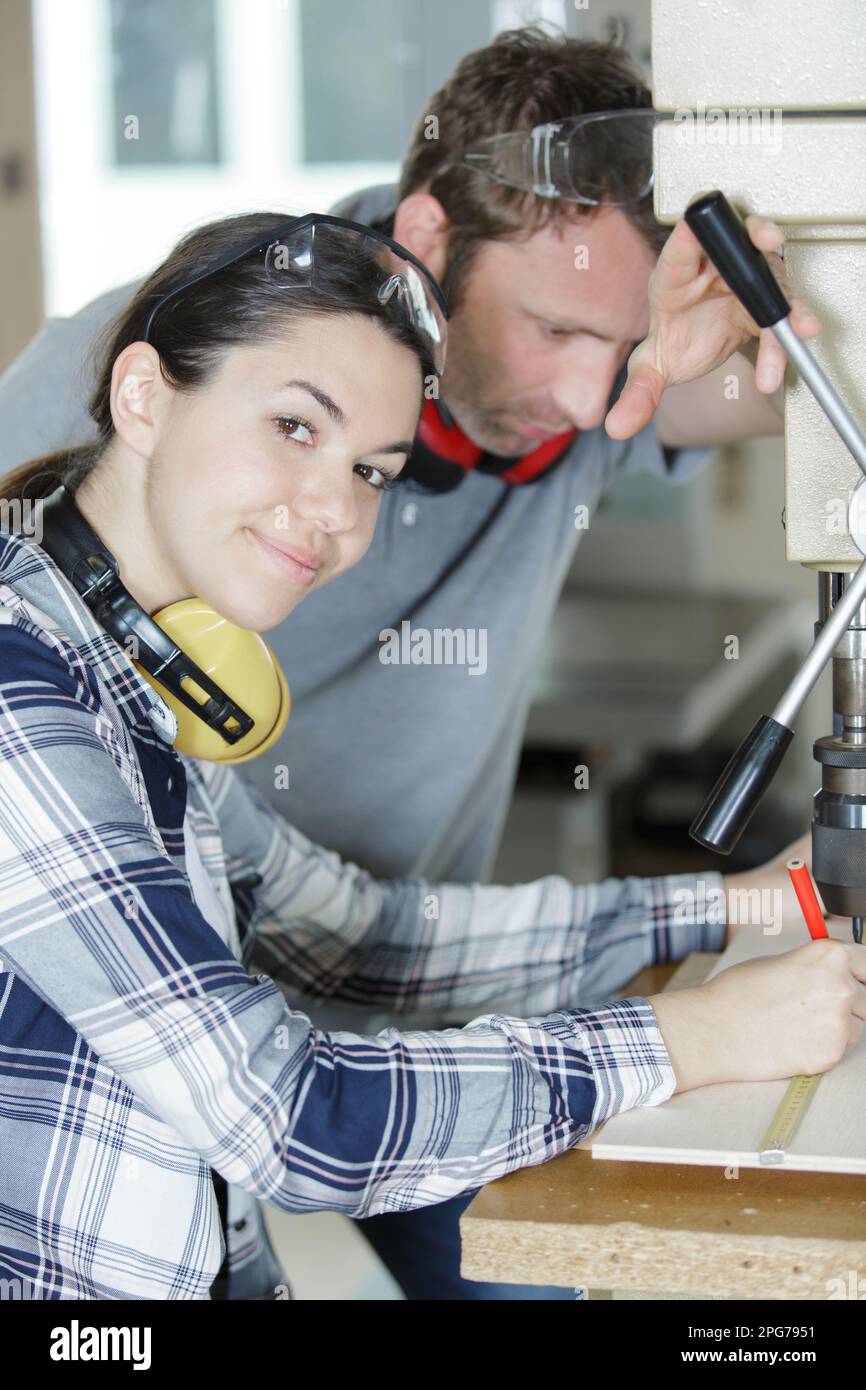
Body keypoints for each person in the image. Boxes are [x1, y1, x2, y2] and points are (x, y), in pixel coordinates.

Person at [0, 28, 830, 1300]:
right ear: (142, 396)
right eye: (292, 427)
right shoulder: (31, 687)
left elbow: (372, 941)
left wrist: (737, 905)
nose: (330, 513)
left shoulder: (149, 711)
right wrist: (689, 1033)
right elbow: (287, 1112)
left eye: (372, 472)